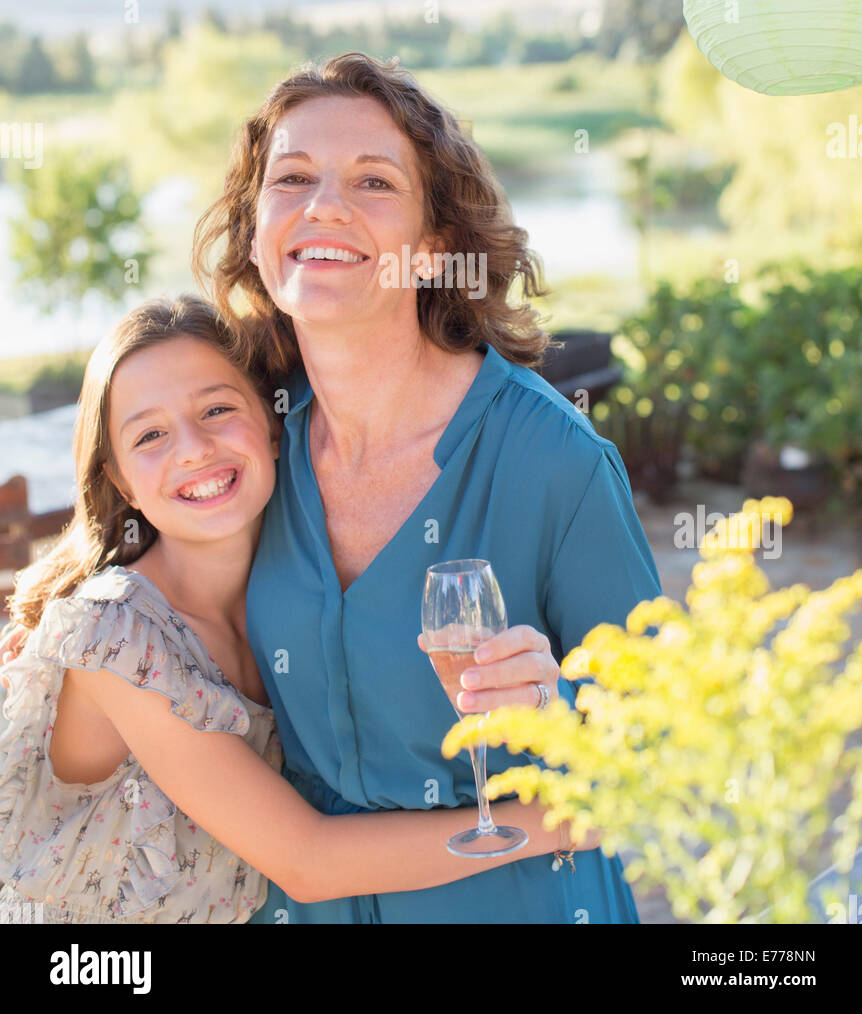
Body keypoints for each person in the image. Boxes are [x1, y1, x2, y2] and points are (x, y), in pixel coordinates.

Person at [192, 51, 663, 925]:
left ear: (435, 249)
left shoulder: (554, 464)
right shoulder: (251, 450)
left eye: (373, 182)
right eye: (291, 178)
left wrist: (555, 704)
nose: (323, 205)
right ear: (258, 234)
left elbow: (660, 760)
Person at [0, 296, 583, 925]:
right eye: (151, 436)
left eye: (218, 409)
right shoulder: (113, 636)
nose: (193, 449)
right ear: (121, 483)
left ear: (274, 425)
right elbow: (307, 862)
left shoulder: (297, 594)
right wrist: (564, 818)